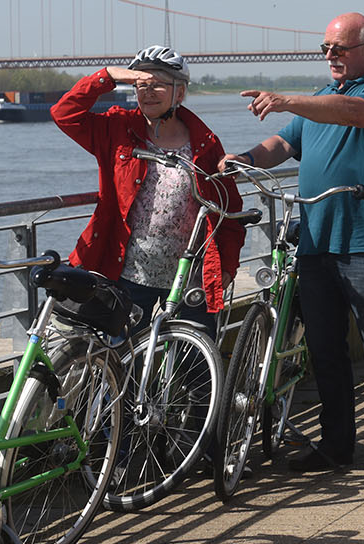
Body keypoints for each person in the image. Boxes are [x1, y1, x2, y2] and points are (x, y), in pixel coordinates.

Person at [228, 14, 364, 476]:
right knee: (325, 350)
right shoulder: (318, 102)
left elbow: (352, 113)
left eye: (340, 48)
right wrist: (244, 160)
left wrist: (285, 99)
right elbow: (282, 144)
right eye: (326, 48)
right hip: (314, 243)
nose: (331, 55)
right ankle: (336, 445)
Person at [50, 45, 245, 332]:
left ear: (180, 92)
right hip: (129, 274)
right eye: (141, 84)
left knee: (194, 356)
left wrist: (227, 265)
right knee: (122, 355)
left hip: (189, 277)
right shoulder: (117, 128)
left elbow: (228, 209)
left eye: (158, 85)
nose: (148, 92)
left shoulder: (205, 143)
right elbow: (64, 114)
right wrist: (107, 76)